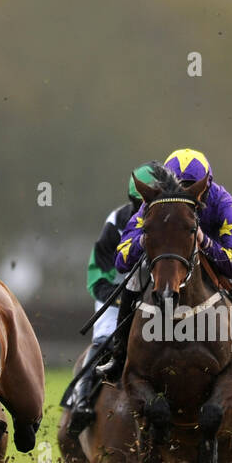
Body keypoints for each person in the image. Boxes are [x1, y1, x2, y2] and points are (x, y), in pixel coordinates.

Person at [97, 148, 232, 380]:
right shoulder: (153, 203)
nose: (185, 193)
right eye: (179, 186)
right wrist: (145, 238)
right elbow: (121, 260)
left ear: (206, 186)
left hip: (209, 257)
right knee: (134, 278)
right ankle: (119, 354)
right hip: (165, 259)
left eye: (191, 187)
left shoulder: (221, 200)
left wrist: (204, 242)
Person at [63, 161, 161, 435]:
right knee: (104, 337)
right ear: (134, 200)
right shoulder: (117, 221)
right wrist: (113, 297)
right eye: (142, 202)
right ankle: (81, 401)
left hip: (157, 296)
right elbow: (98, 270)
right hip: (116, 295)